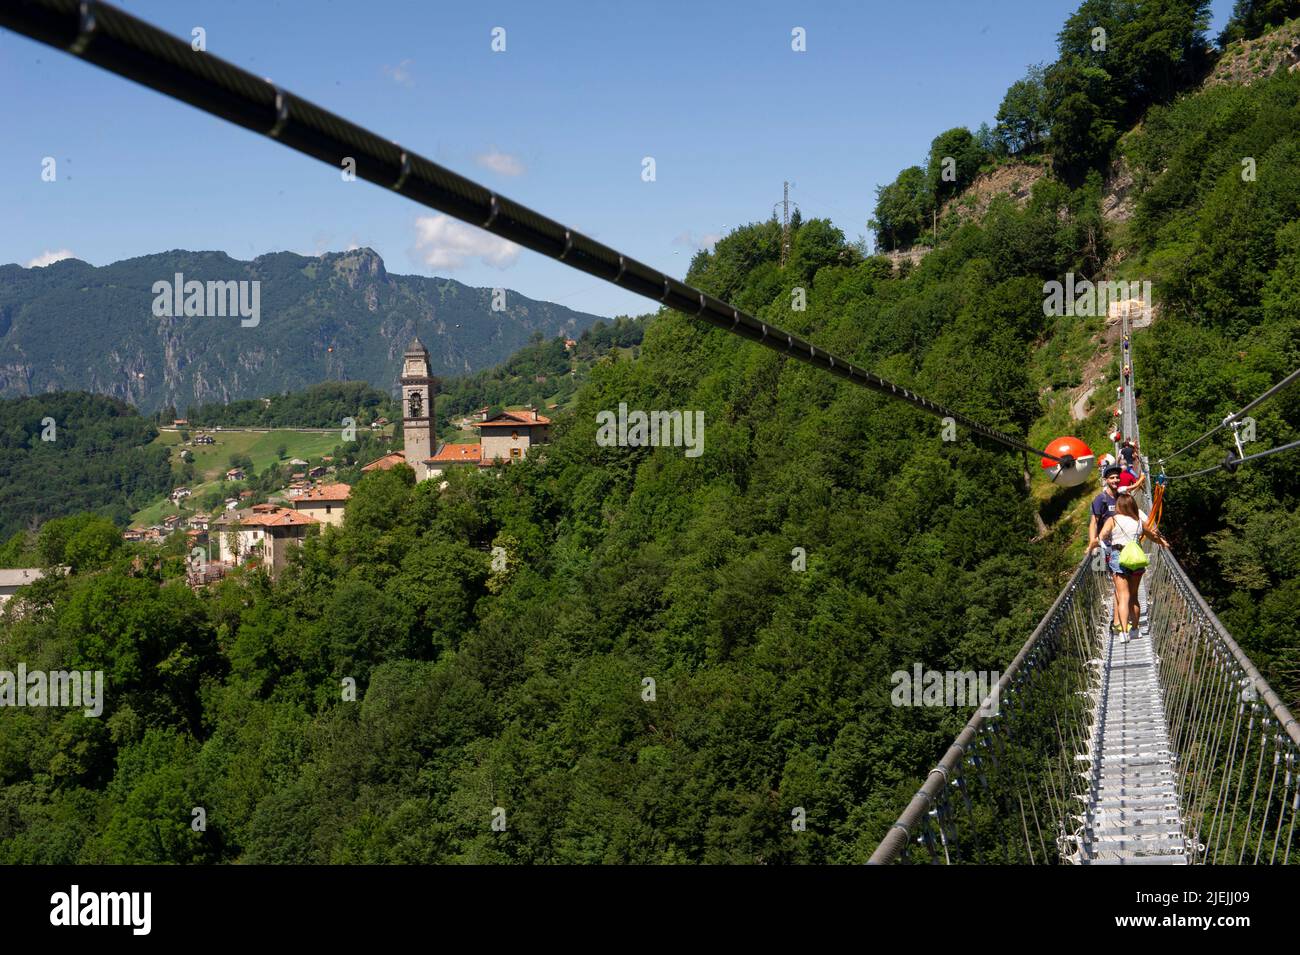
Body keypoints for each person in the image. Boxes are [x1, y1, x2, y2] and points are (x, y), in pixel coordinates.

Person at [1095, 491, 1169, 641]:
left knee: (1123, 596)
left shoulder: (1112, 520)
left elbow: (1101, 537)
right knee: (1134, 597)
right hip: (1136, 558)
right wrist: (1163, 542)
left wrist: (1098, 546)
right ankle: (1135, 630)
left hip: (1119, 557)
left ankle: (1123, 633)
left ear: (1119, 506)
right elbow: (1153, 536)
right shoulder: (1139, 522)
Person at [1088, 465, 1124, 635]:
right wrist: (1092, 544)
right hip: (1107, 547)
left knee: (1120, 584)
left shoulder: (1121, 498)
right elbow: (1093, 522)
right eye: (1112, 478)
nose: (1115, 480)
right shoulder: (1100, 499)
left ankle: (1118, 620)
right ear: (1106, 480)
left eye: (1117, 477)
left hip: (1122, 546)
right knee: (1119, 584)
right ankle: (1117, 622)